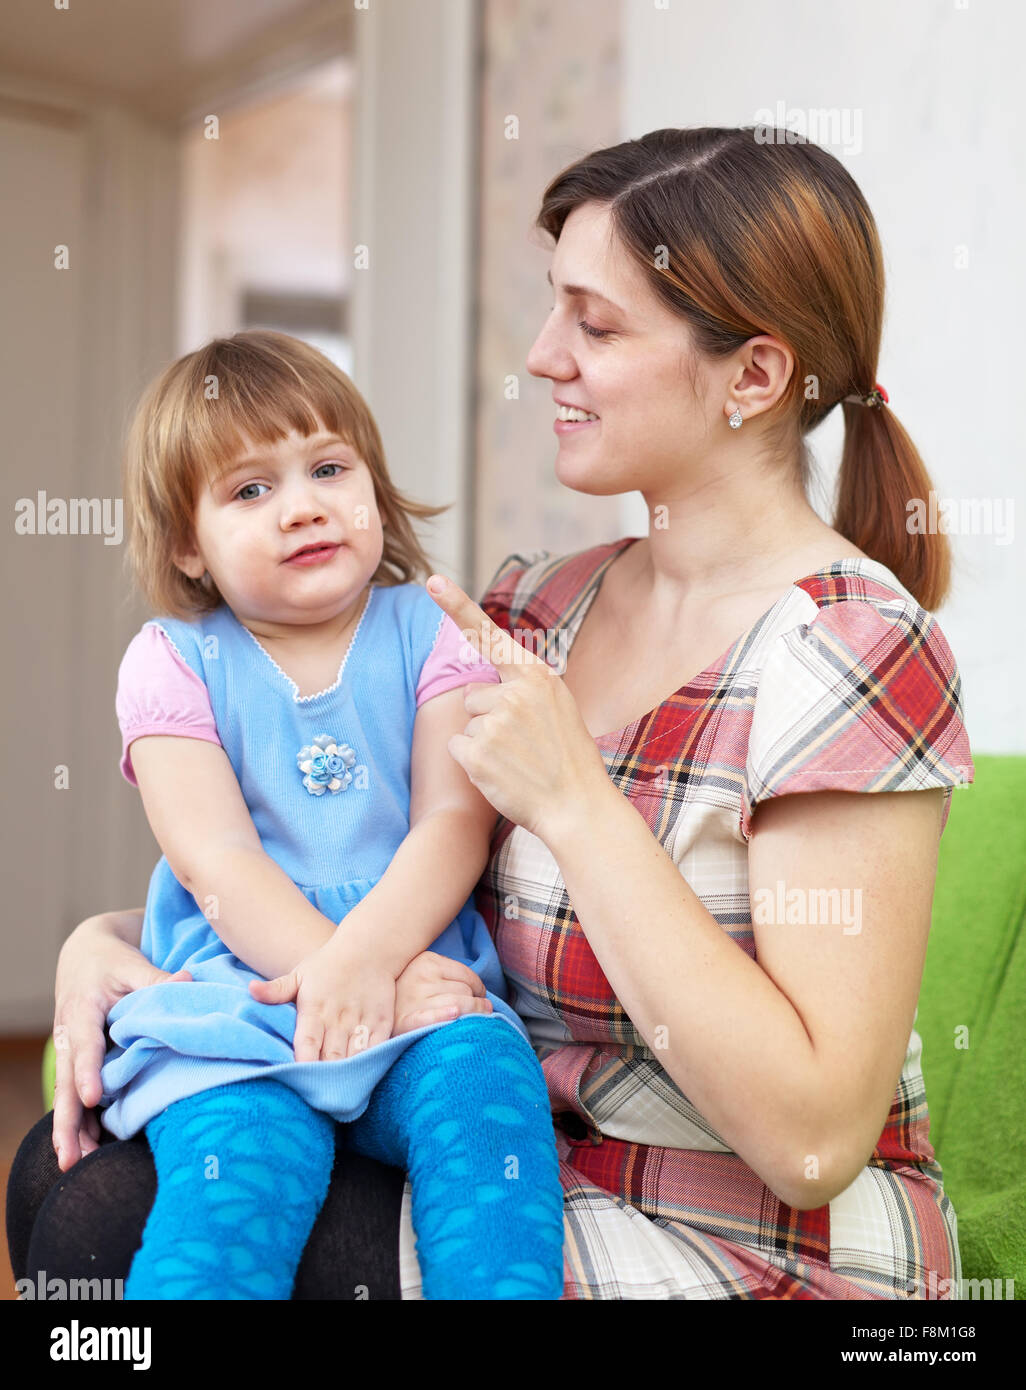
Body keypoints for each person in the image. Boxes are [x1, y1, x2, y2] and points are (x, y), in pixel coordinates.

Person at [8, 125, 974, 1299]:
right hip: (529, 1163)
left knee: (98, 1227)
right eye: (552, 309)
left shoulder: (855, 649)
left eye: (595, 323)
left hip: (741, 1240)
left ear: (755, 377)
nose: (540, 354)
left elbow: (814, 1144)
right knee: (59, 1177)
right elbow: (351, 860)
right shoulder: (531, 608)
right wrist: (101, 943)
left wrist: (576, 801)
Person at [14, 328, 565, 1301]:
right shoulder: (172, 660)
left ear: (372, 484)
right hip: (242, 1003)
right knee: (232, 1196)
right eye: (249, 490)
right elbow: (215, 859)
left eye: (327, 467)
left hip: (419, 987)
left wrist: (367, 969)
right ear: (187, 541)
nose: (302, 505)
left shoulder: (432, 628)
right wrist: (333, 972)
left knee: (488, 1106)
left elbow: (452, 823)